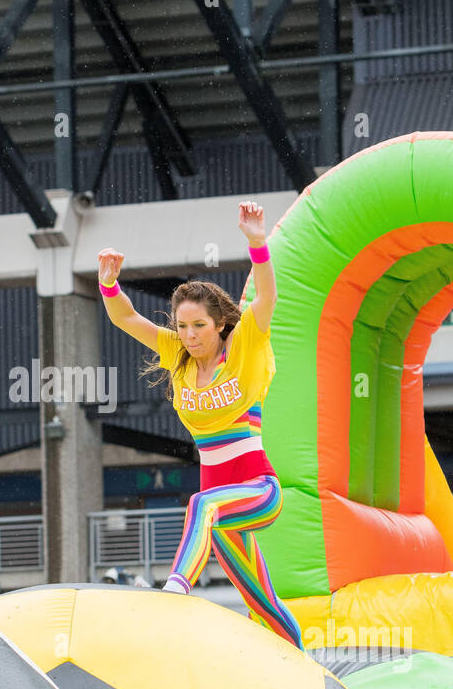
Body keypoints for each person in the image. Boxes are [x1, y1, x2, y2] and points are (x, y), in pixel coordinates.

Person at [96, 201, 304, 650]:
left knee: (200, 504)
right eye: (183, 326)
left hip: (257, 491)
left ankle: (176, 590)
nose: (189, 335)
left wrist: (256, 244)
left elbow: (267, 298)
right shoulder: (178, 356)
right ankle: (309, 668)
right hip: (220, 516)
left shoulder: (244, 345)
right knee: (263, 604)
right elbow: (127, 319)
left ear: (219, 323)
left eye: (199, 326)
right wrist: (110, 286)